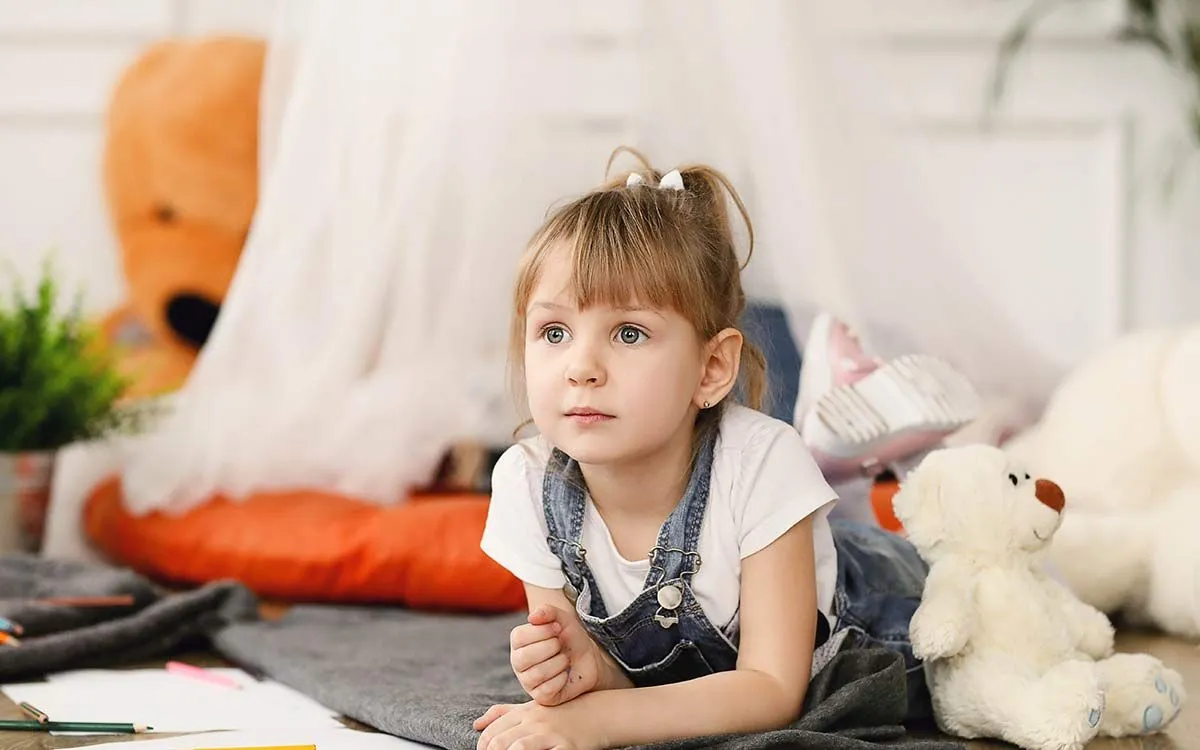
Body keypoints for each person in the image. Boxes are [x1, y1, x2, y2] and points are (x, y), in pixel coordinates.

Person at [474, 148, 977, 750]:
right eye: (554, 332)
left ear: (713, 368)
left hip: (894, 607)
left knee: (996, 585)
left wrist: (591, 722)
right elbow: (620, 685)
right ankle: (840, 469)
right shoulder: (527, 484)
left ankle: (887, 476)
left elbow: (770, 688)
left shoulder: (759, 462)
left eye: (628, 333)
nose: (581, 367)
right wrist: (580, 671)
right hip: (772, 564)